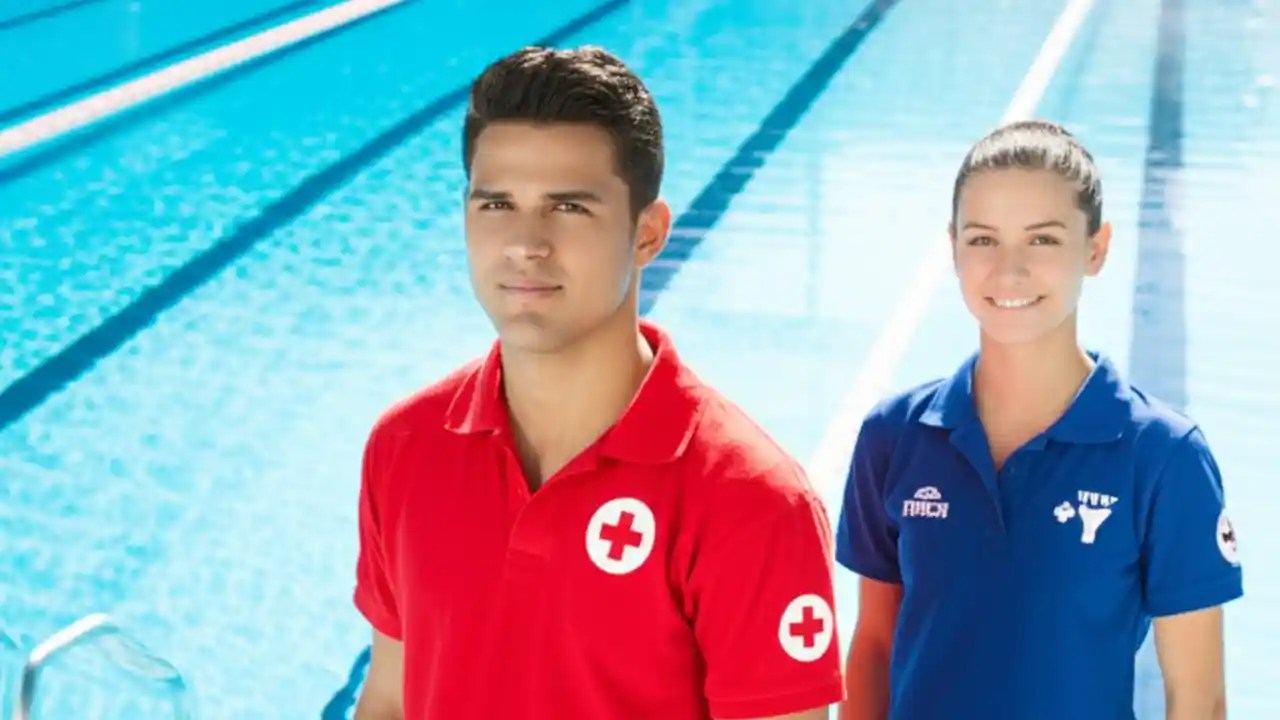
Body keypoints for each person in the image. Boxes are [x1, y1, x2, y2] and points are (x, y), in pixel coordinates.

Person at [351, 45, 843, 720]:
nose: (526, 243)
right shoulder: (405, 447)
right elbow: (389, 699)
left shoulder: (750, 503)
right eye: (496, 204)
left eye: (569, 208)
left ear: (648, 234)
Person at [835, 119, 1243, 720]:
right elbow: (874, 646)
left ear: (1096, 249)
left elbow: (1198, 700)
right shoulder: (895, 436)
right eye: (982, 240)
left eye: (1043, 240)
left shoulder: (1162, 455)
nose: (1009, 271)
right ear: (952, 249)